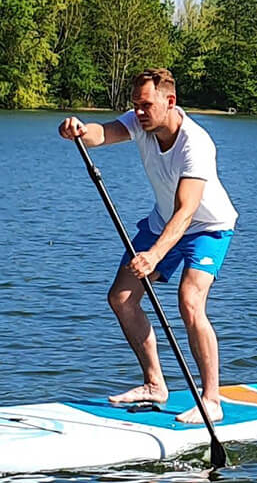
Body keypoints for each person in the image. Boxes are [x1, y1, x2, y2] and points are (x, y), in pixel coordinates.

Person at [58, 68, 238, 424]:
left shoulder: (195, 144)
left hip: (207, 228)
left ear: (170, 101)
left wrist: (155, 255)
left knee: (189, 301)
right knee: (122, 298)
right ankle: (155, 384)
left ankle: (212, 399)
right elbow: (103, 133)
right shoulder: (141, 123)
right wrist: (79, 130)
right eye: (135, 105)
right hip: (162, 222)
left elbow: (187, 211)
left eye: (146, 105)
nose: (139, 112)